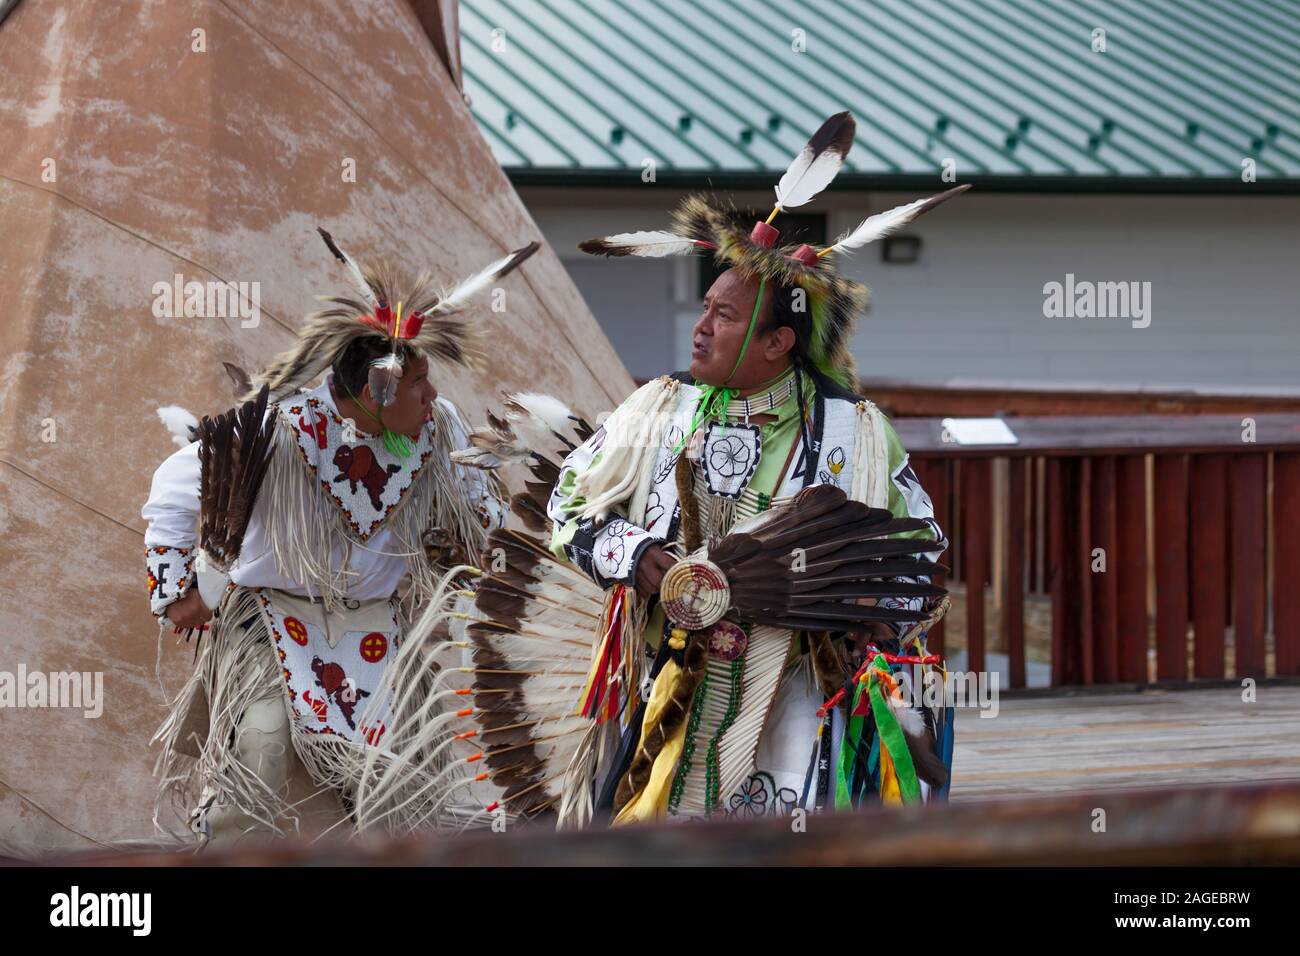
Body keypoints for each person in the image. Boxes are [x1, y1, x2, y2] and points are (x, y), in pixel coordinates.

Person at [396, 113, 968, 828]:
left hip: (797, 685)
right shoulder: (658, 412)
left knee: (791, 828)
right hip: (671, 672)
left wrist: (869, 614)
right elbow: (570, 505)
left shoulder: (855, 432)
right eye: (704, 307)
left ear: (777, 342)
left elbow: (922, 550)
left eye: (724, 316)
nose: (701, 326)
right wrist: (638, 557)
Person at [142, 229, 535, 844]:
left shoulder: (439, 428)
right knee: (262, 753)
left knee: (393, 794)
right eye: (417, 385)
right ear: (375, 390)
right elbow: (173, 486)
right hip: (274, 622)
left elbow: (480, 507)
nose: (432, 395)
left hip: (378, 629)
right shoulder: (281, 427)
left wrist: (468, 546)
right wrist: (177, 593)